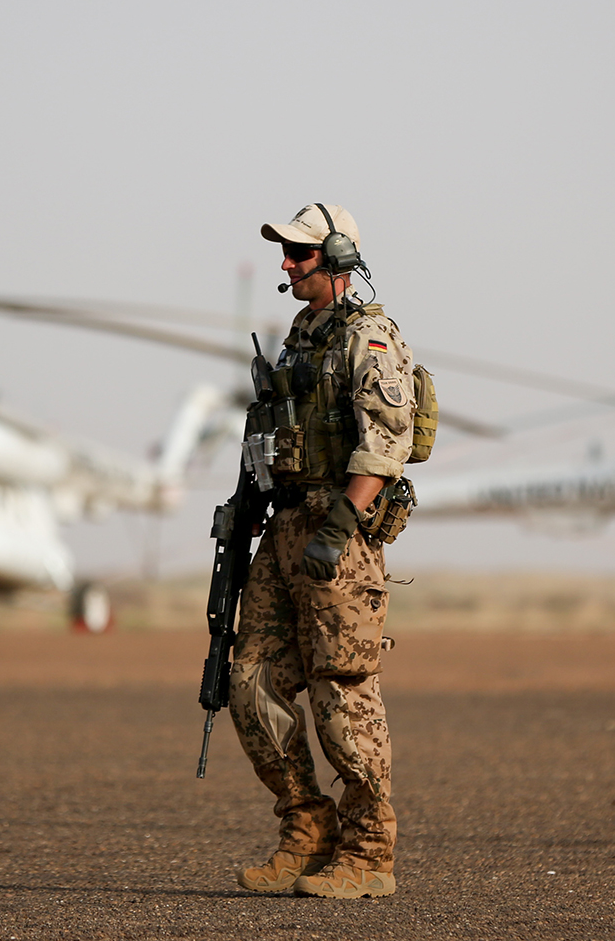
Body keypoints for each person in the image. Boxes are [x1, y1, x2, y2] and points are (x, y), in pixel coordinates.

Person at [229, 202, 416, 900]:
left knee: (342, 689)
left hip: (337, 533)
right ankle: (307, 833)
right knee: (250, 682)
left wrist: (341, 525)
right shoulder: (301, 337)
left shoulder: (368, 337)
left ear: (336, 256)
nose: (287, 264)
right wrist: (249, 505)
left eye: (299, 253)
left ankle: (369, 852)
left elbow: (386, 438)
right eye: (285, 253)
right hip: (284, 526)